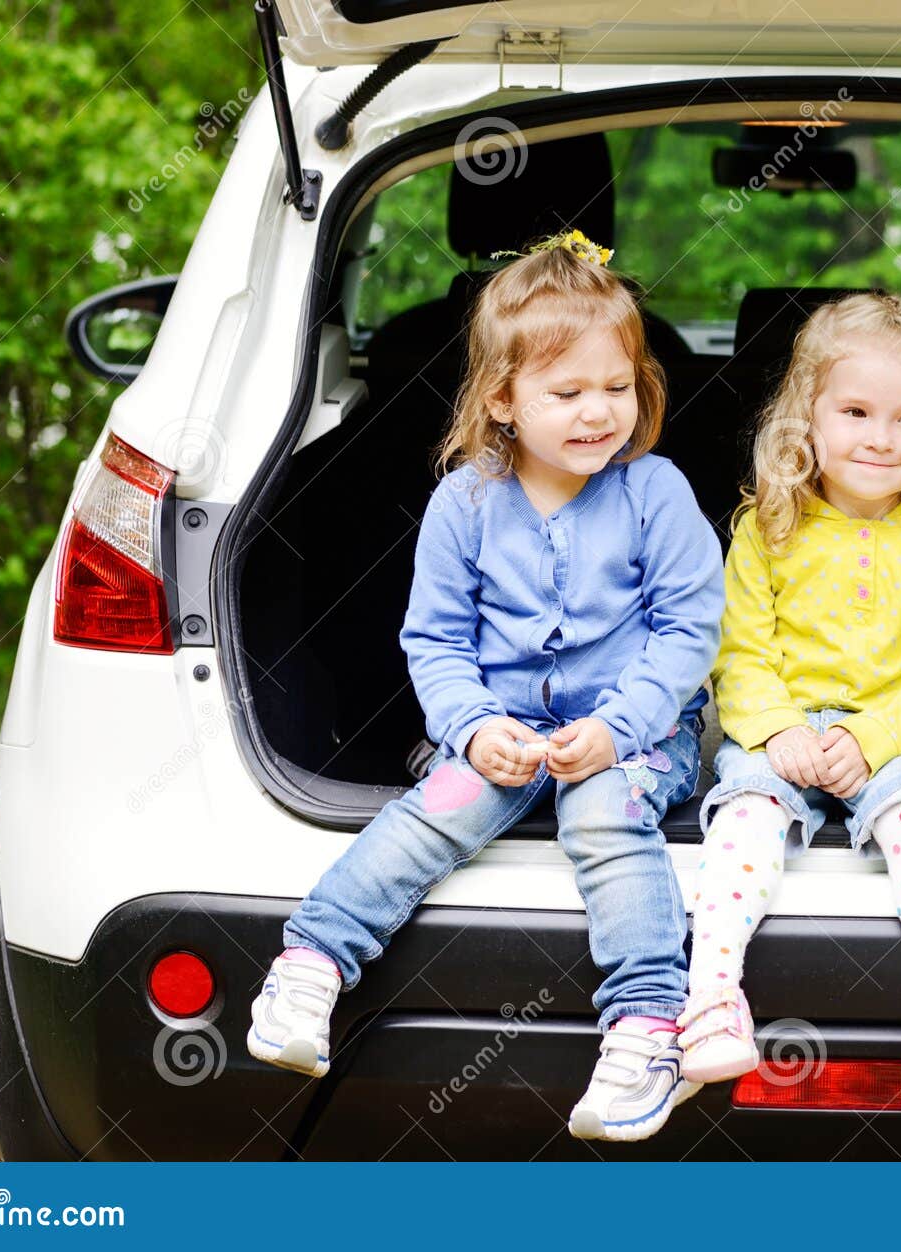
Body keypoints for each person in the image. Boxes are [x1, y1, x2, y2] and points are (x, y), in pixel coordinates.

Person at [247, 229, 725, 1143]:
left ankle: (646, 1028)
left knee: (604, 819)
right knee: (437, 810)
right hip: (502, 727)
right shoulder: (465, 501)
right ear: (502, 400)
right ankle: (313, 961)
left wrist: (619, 729)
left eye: (617, 389)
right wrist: (469, 728)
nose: (598, 414)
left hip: (635, 735)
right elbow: (434, 638)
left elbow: (689, 629)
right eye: (568, 392)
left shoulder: (655, 493)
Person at [679, 292, 901, 1124]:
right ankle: (712, 1000)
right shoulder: (766, 529)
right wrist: (782, 730)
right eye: (855, 411)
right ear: (807, 420)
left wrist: (872, 736)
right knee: (742, 821)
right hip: (782, 728)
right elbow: (741, 654)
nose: (879, 438)